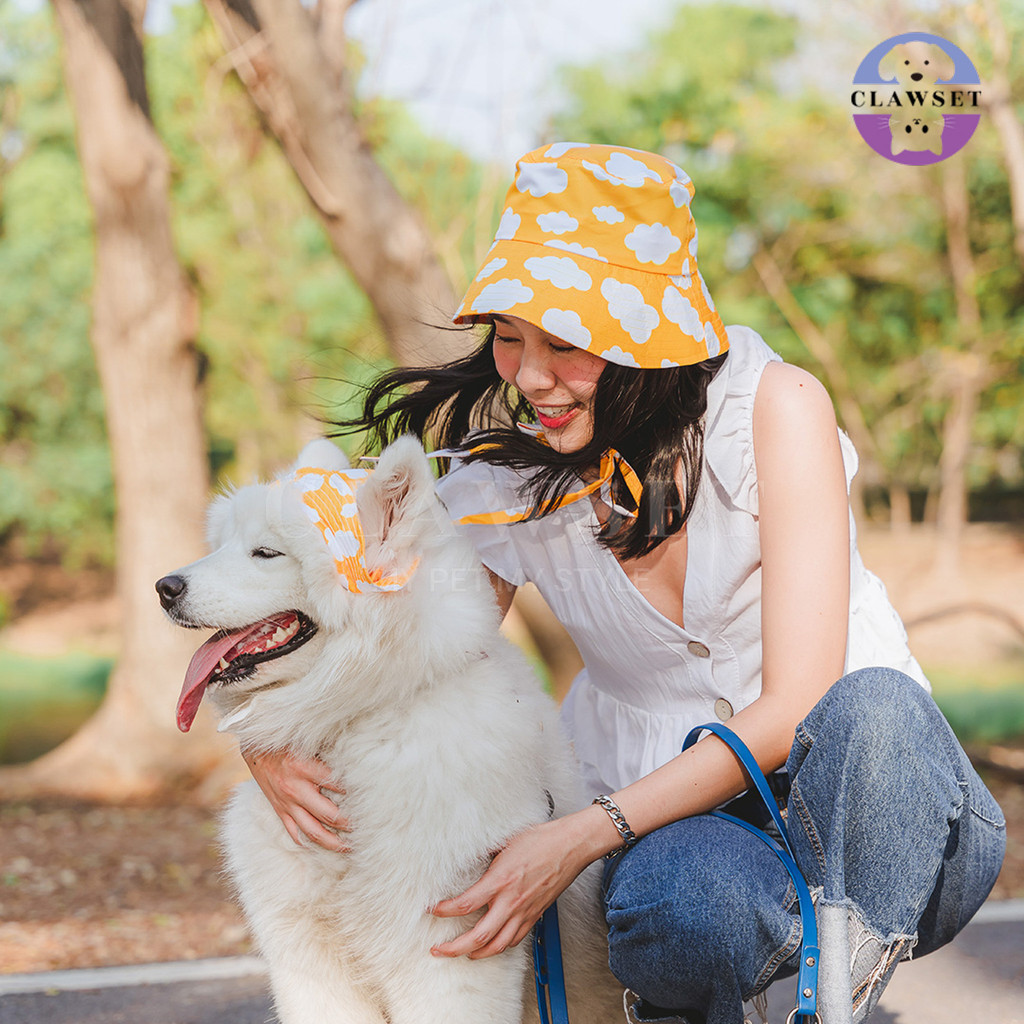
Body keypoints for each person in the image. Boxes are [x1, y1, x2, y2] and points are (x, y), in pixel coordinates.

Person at [243, 143, 1005, 1024]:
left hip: (885, 812)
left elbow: (798, 702)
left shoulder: (774, 407)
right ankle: (783, 985)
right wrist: (264, 738)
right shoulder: (504, 484)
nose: (530, 376)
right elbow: (401, 657)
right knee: (676, 907)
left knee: (873, 705)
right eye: (509, 336)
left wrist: (574, 838)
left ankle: (834, 982)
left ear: (647, 340)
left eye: (564, 343)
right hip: (692, 830)